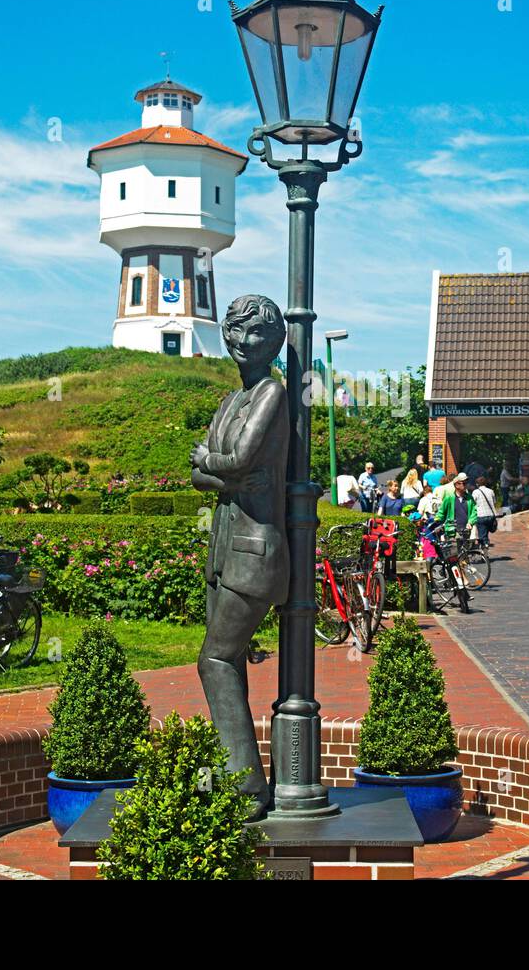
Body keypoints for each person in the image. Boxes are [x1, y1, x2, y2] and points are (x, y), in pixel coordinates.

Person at [189, 293, 289, 820]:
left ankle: (245, 788)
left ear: (274, 342)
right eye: (235, 331)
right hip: (224, 546)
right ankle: (239, 775)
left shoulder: (272, 392)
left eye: (255, 334)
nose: (242, 343)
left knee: (216, 659)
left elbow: (239, 458)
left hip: (255, 549)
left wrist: (219, 465)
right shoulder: (232, 402)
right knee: (228, 661)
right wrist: (219, 468)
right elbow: (200, 470)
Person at [436, 476, 477, 542]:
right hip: (452, 532)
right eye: (463, 483)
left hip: (466, 531)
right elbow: (441, 512)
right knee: (454, 551)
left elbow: (474, 511)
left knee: (466, 551)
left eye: (466, 483)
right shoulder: (449, 498)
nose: (465, 485)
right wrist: (436, 520)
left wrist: (470, 522)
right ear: (456, 485)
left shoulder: (469, 498)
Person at [473, 475, 499, 548]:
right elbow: (494, 502)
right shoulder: (491, 491)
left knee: (482, 535)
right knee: (485, 533)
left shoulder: (476, 492)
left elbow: (472, 503)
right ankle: (486, 544)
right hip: (490, 515)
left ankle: (484, 550)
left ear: (477, 484)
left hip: (481, 515)